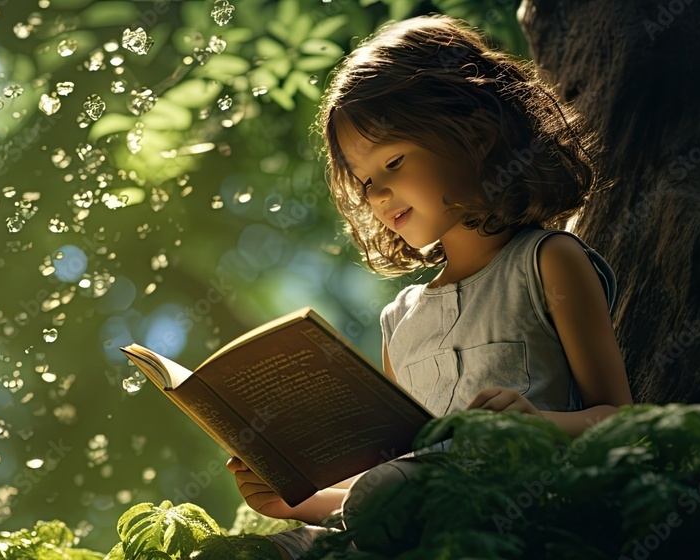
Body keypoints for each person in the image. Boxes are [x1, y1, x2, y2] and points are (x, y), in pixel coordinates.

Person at [227, 12, 633, 559]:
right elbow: (391, 477)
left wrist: (542, 427)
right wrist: (294, 501)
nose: (377, 194)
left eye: (393, 161)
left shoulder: (547, 262)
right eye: (365, 180)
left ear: (476, 134)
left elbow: (621, 422)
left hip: (511, 522)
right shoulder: (400, 319)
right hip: (404, 519)